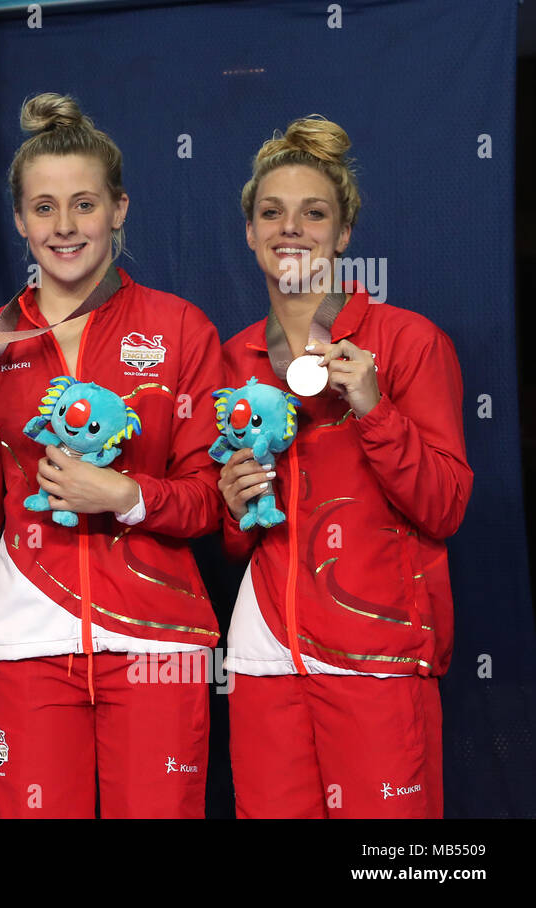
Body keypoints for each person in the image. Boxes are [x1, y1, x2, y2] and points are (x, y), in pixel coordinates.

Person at [0, 93, 223, 818]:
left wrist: (125, 497)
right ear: (18, 220)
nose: (64, 227)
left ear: (119, 209)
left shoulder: (181, 328)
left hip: (157, 637)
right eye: (43, 208)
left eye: (84, 204)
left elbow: (209, 501)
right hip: (28, 638)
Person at [217, 115, 473, 818]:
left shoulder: (408, 342)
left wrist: (374, 406)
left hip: (376, 653)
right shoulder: (232, 359)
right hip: (265, 654)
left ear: (345, 232)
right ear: (248, 231)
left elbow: (445, 504)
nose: (289, 229)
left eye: (313, 213)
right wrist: (234, 506)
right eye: (272, 212)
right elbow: (237, 539)